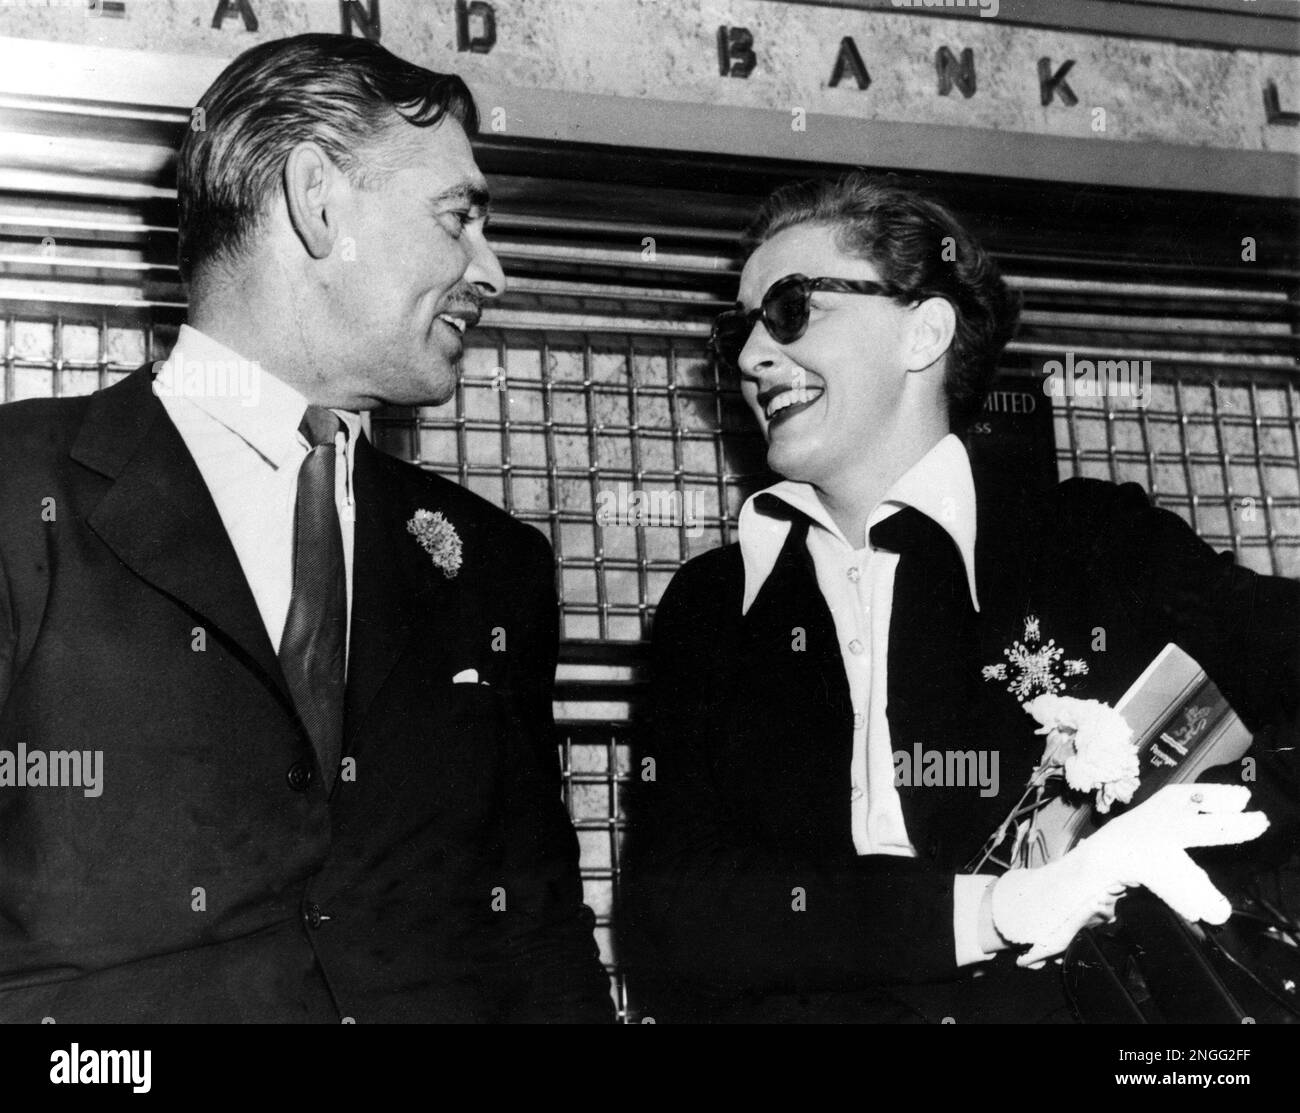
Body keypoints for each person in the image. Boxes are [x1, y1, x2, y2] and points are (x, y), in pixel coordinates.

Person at [0, 33, 612, 1023]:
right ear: (318, 200)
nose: (489, 270)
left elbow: (537, 934)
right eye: (459, 218)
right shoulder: (16, 491)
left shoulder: (492, 565)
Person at [622, 172, 1299, 1023]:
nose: (753, 357)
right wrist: (996, 910)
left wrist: (1207, 849)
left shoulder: (1093, 539)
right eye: (742, 329)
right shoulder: (715, 607)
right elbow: (676, 916)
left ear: (924, 330)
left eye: (790, 309)